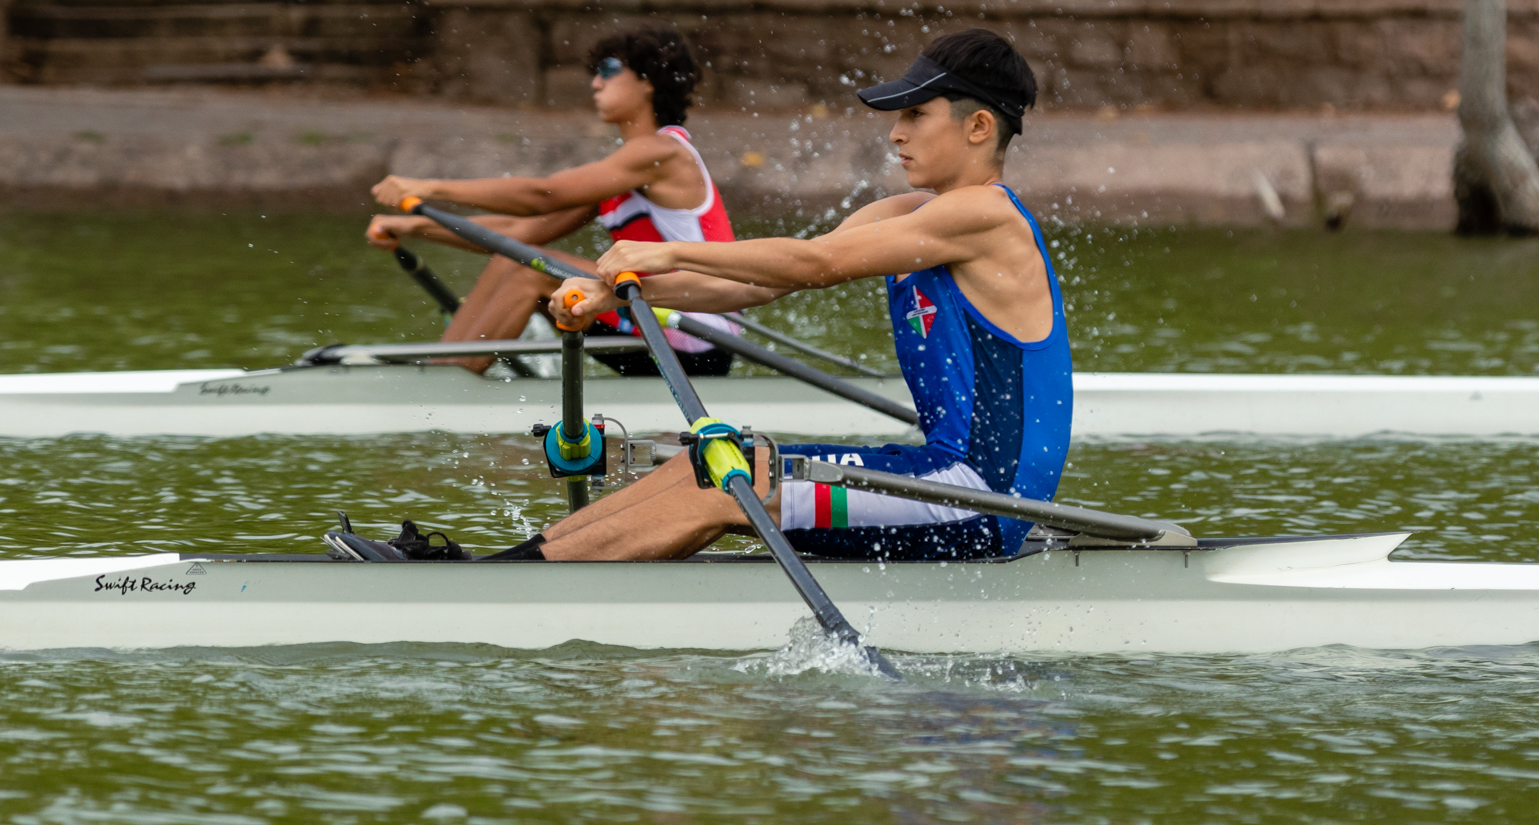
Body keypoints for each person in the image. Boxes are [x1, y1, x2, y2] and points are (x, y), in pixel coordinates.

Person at [480, 27, 1071, 563]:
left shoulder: (986, 214)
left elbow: (815, 263)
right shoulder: (913, 212)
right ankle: (507, 567)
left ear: (978, 127)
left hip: (982, 499)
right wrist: (612, 295)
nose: (896, 132)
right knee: (709, 462)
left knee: (731, 483)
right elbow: (763, 282)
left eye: (916, 114)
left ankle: (507, 583)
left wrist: (669, 250)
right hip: (937, 473)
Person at [364, 28, 737, 374]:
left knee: (529, 268)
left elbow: (543, 195)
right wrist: (412, 226)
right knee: (515, 253)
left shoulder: (662, 152)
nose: (595, 82)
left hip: (699, 334)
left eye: (608, 70)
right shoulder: (624, 169)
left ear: (647, 80)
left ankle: (446, 384)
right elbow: (516, 230)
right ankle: (442, 369)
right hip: (654, 318)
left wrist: (430, 188)